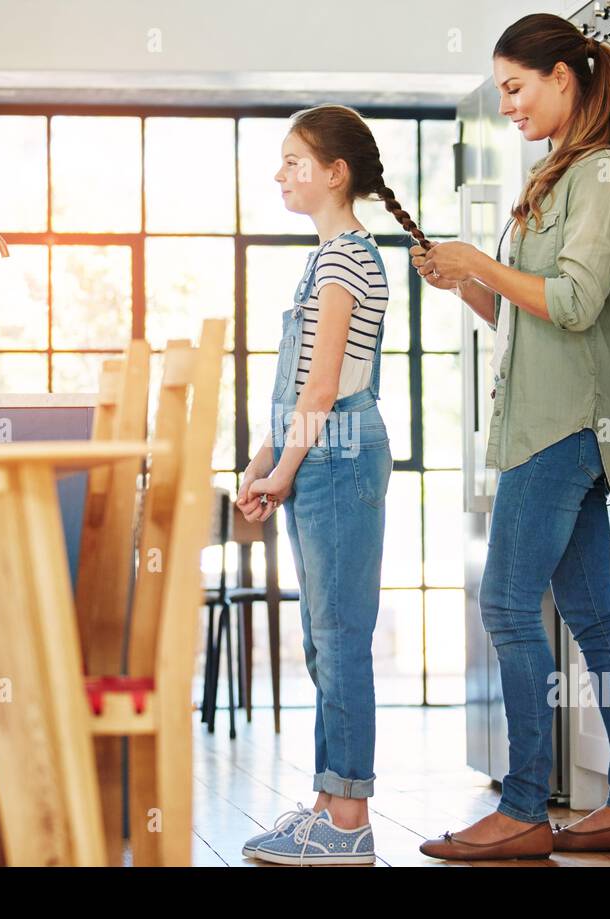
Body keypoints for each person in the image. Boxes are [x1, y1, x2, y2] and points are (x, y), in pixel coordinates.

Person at [413, 13, 610, 861]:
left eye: (516, 86)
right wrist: (464, 283)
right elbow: (527, 318)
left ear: (565, 75)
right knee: (593, 615)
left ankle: (521, 810)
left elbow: (577, 302)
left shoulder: (600, 177)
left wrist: (481, 260)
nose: (508, 104)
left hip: (561, 429)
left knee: (509, 607)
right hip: (554, 422)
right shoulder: (556, 178)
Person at [233, 104, 428, 866]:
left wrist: (282, 470)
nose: (280, 174)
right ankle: (326, 801)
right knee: (325, 638)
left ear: (334, 172)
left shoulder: (346, 258)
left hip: (337, 453)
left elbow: (322, 392)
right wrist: (264, 458)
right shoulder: (327, 257)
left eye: (293, 161)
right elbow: (305, 384)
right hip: (320, 452)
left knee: (340, 637)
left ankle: (348, 822)